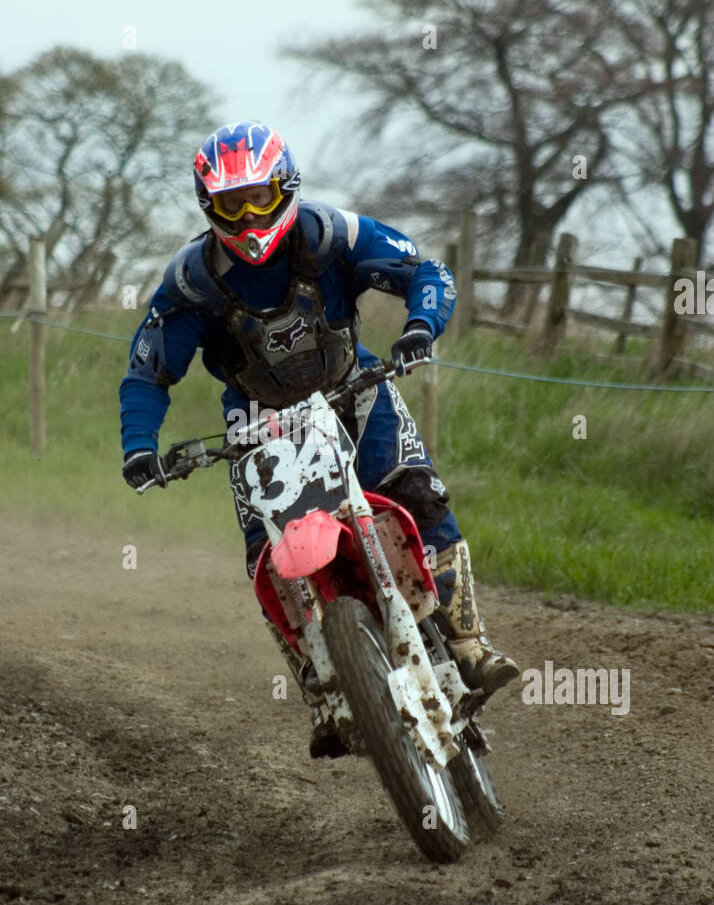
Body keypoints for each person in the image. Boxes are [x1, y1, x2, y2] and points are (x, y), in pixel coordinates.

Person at [120, 121, 518, 753]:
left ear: (288, 186)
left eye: (259, 196)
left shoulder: (335, 235)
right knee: (265, 552)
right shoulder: (190, 281)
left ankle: (468, 642)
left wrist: (420, 326)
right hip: (254, 421)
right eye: (230, 204)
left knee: (418, 492)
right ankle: (322, 682)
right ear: (208, 206)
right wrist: (139, 445)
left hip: (352, 388)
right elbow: (148, 373)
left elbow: (427, 270)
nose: (248, 216)